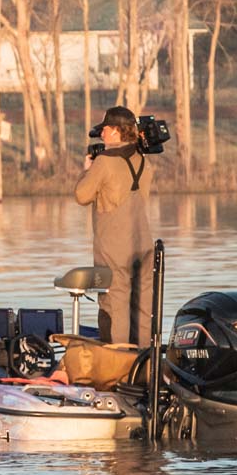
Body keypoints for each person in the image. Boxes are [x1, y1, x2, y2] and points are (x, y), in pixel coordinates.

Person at [74, 105, 155, 346]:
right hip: (144, 245)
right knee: (142, 307)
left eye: (106, 129)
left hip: (114, 249)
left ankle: (120, 366)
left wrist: (87, 170)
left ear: (117, 131)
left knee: (115, 306)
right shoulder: (143, 161)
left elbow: (81, 195)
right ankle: (143, 364)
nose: (102, 134)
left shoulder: (105, 162)